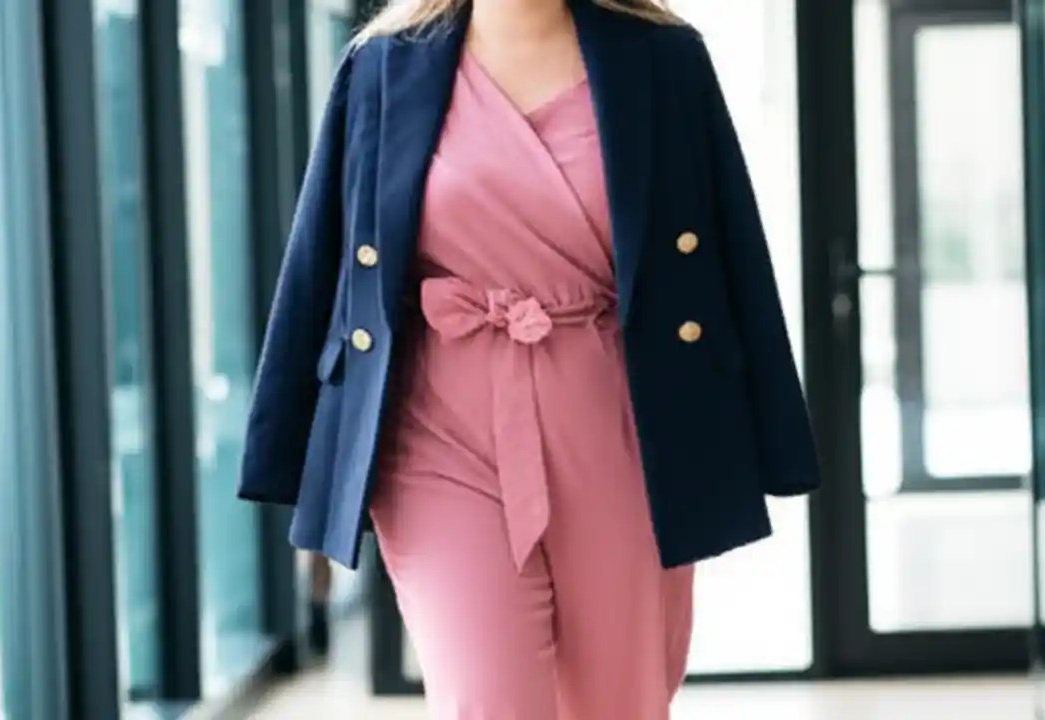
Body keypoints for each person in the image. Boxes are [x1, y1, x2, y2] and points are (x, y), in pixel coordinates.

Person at [237, 0, 821, 717]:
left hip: (623, 429)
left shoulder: (664, 60)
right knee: (488, 701)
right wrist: (288, 444)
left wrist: (772, 436)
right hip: (437, 433)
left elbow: (731, 248)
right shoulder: (381, 67)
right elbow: (321, 260)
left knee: (619, 700)